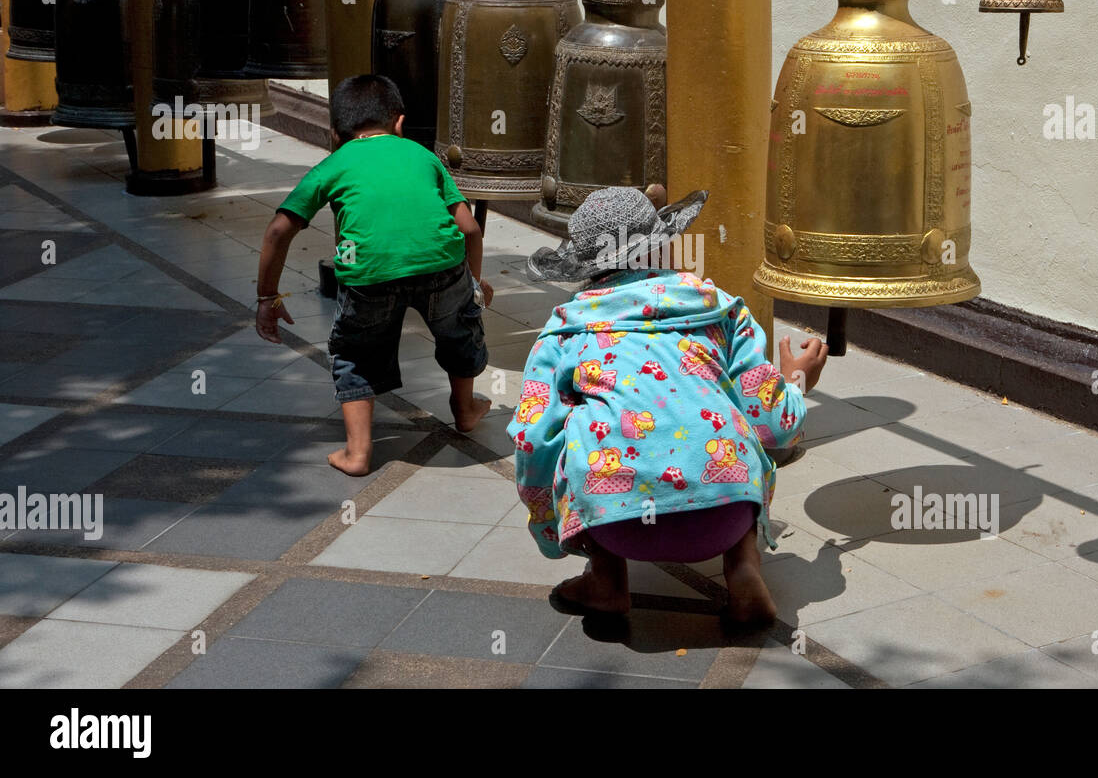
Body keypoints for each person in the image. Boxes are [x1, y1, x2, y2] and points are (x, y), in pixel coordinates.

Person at [507, 187, 828, 625]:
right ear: (663, 245)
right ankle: (743, 566)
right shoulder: (720, 311)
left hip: (615, 521)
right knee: (725, 428)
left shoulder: (565, 332)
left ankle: (606, 577)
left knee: (588, 436)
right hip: (726, 513)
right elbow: (777, 425)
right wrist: (797, 377)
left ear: (584, 264)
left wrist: (550, 530)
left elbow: (532, 437)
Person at [256, 74, 493, 476]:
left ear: (335, 134)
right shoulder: (421, 155)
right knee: (459, 331)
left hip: (368, 274)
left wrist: (267, 298)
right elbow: (469, 228)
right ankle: (465, 410)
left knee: (356, 352)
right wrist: (472, 282)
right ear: (399, 123)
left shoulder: (334, 163)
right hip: (443, 263)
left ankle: (358, 452)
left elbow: (279, 230)